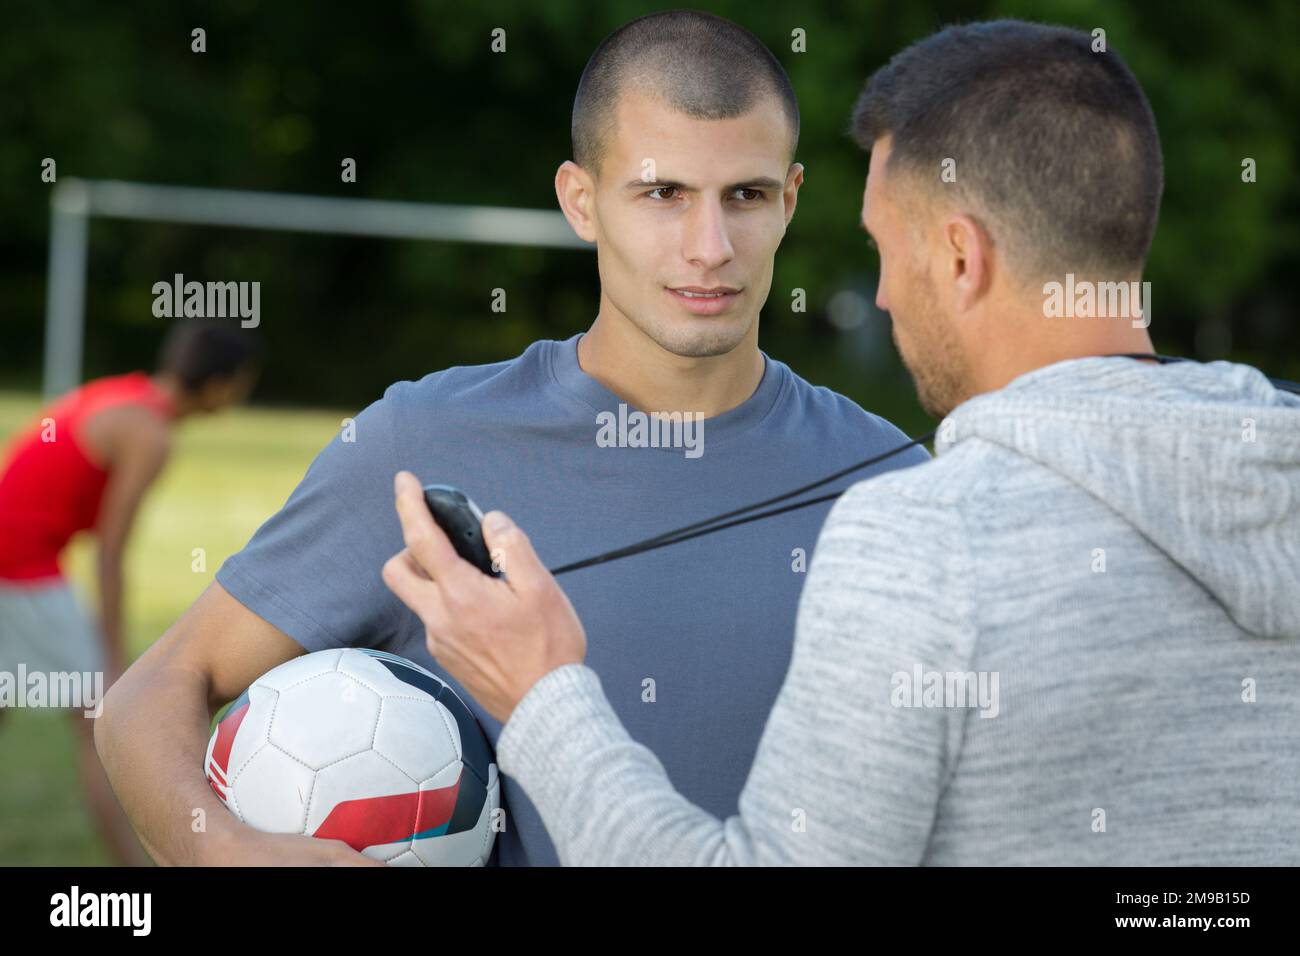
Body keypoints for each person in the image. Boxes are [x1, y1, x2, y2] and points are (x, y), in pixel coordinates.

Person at [383, 19, 1300, 864]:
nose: (888, 296)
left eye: (886, 249)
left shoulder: (925, 541)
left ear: (958, 257)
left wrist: (543, 697)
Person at [95, 10, 926, 867]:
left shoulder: (898, 488)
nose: (709, 247)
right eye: (662, 193)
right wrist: (223, 852)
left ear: (789, 200)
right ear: (580, 201)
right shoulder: (419, 444)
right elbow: (152, 694)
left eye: (744, 196)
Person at [0, 317, 259, 865]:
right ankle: (135, 868)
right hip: (16, 561)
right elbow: (112, 550)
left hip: (15, 554)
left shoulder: (125, 393)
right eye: (240, 383)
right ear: (218, 383)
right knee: (99, 719)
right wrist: (113, 656)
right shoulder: (151, 434)